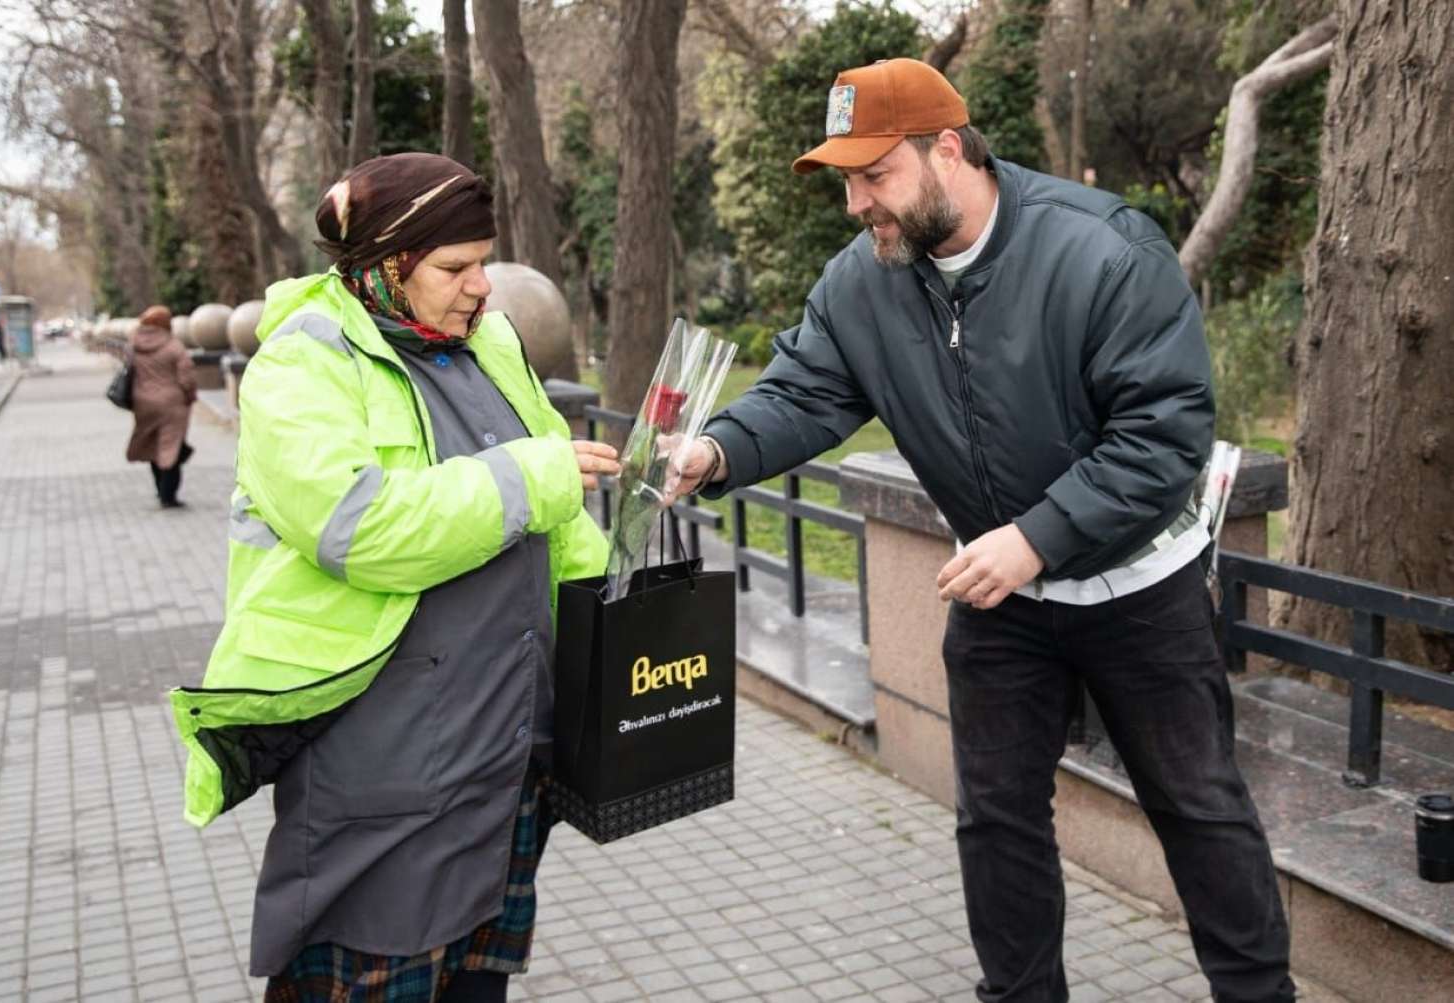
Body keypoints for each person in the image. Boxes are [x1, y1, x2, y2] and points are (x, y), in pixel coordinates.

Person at [668, 58, 1295, 1003]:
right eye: (846, 180)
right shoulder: (861, 284)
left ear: (948, 151)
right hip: (1003, 608)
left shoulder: (1106, 251)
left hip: (1142, 597)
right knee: (996, 823)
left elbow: (1163, 436)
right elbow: (803, 391)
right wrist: (716, 450)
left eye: (874, 176)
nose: (854, 204)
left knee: (1200, 811)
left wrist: (1035, 535)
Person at [170, 152, 619, 1003]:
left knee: (478, 977)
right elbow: (361, 526)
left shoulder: (487, 344)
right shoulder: (303, 364)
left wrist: (610, 617)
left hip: (505, 745)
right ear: (384, 267)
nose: (482, 286)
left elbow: (552, 525)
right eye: (456, 267)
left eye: (485, 260)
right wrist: (533, 475)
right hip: (383, 761)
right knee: (371, 970)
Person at [124, 304, 196, 508]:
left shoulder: (133, 343)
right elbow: (187, 378)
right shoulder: (174, 346)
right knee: (171, 447)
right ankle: (168, 495)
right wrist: (190, 396)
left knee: (154, 446)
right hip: (172, 404)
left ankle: (159, 488)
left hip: (143, 403)